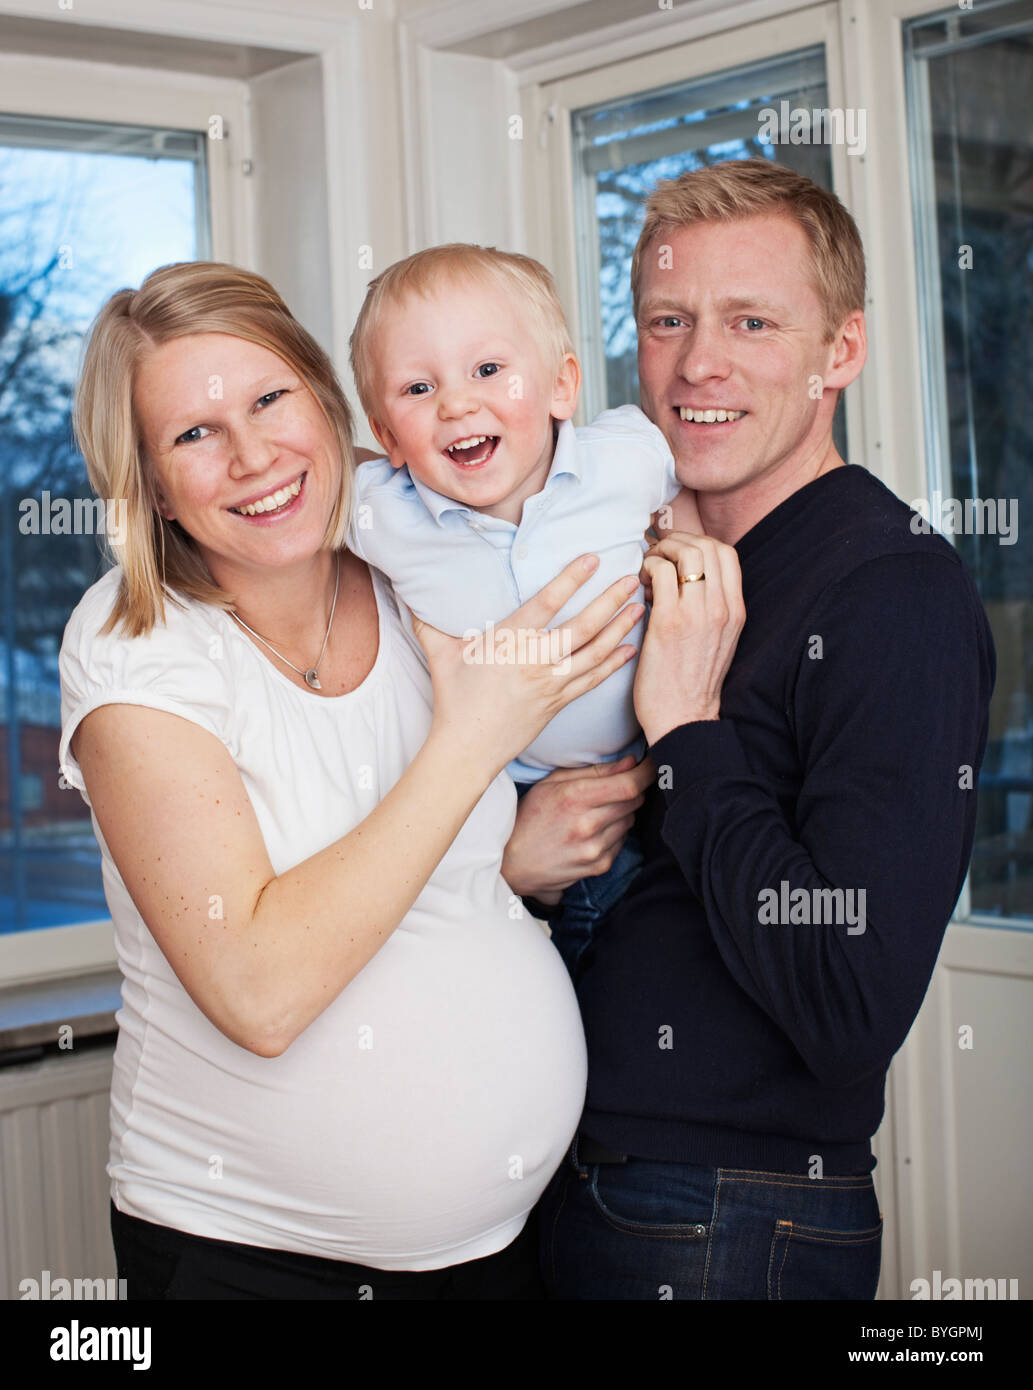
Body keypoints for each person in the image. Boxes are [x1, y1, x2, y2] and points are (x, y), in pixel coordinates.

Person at [58, 260, 650, 1300]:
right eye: (194, 435)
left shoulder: (414, 571)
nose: (252, 456)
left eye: (270, 400)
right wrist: (475, 739)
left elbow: (424, 867)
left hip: (499, 1245)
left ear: (330, 408)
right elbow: (260, 989)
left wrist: (509, 856)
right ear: (150, 481)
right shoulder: (135, 642)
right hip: (255, 1262)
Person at [540, 159, 995, 1300]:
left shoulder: (893, 593)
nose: (699, 363)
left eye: (751, 321)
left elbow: (849, 1004)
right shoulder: (633, 560)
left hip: (720, 1211)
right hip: (574, 1176)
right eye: (666, 321)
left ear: (839, 351)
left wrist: (688, 731)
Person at [346, 244, 698, 975]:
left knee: (656, 949)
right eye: (416, 389)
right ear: (386, 436)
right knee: (505, 960)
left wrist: (685, 544)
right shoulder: (382, 511)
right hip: (494, 795)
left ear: (561, 385)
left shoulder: (626, 457)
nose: (455, 404)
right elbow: (311, 473)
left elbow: (696, 490)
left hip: (638, 774)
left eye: (486, 370)